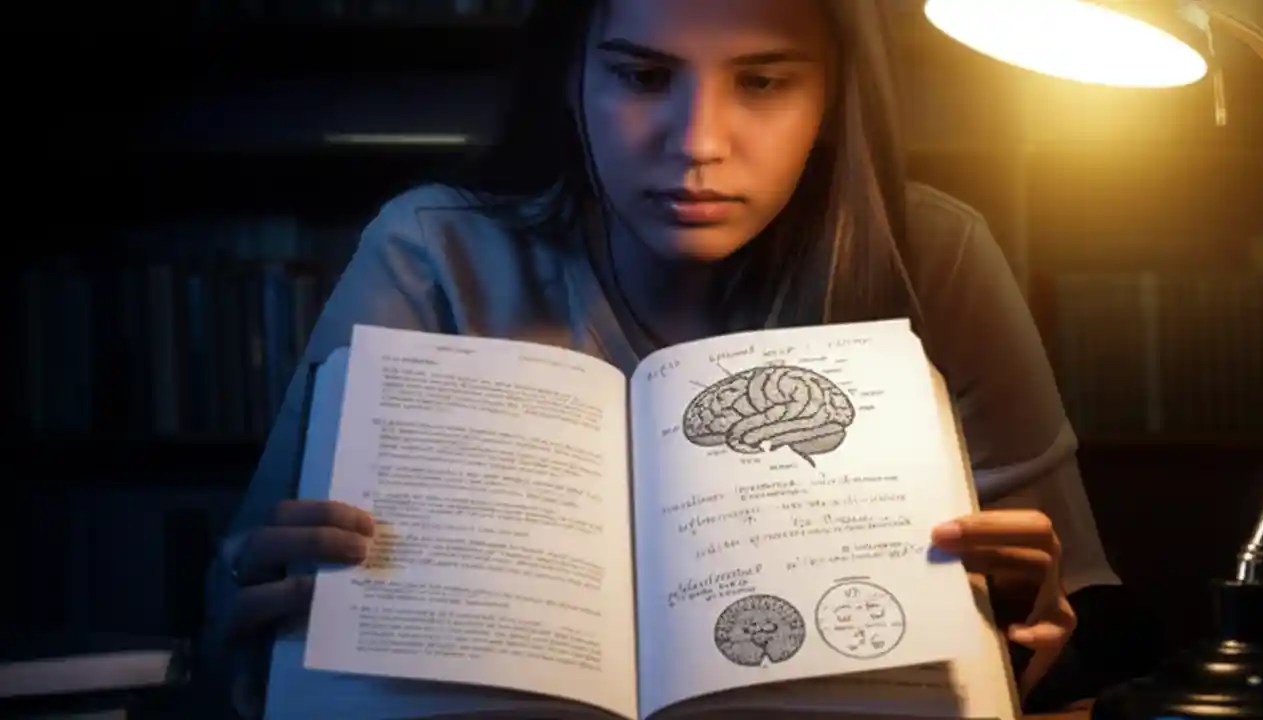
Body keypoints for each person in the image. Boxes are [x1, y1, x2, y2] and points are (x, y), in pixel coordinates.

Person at [199, 0, 1157, 716]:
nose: (697, 144)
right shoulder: (432, 255)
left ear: (835, 95)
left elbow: (1073, 631)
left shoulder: (931, 253)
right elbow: (239, 626)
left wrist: (1036, 636)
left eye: (766, 82)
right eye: (643, 77)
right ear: (572, 77)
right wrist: (260, 610)